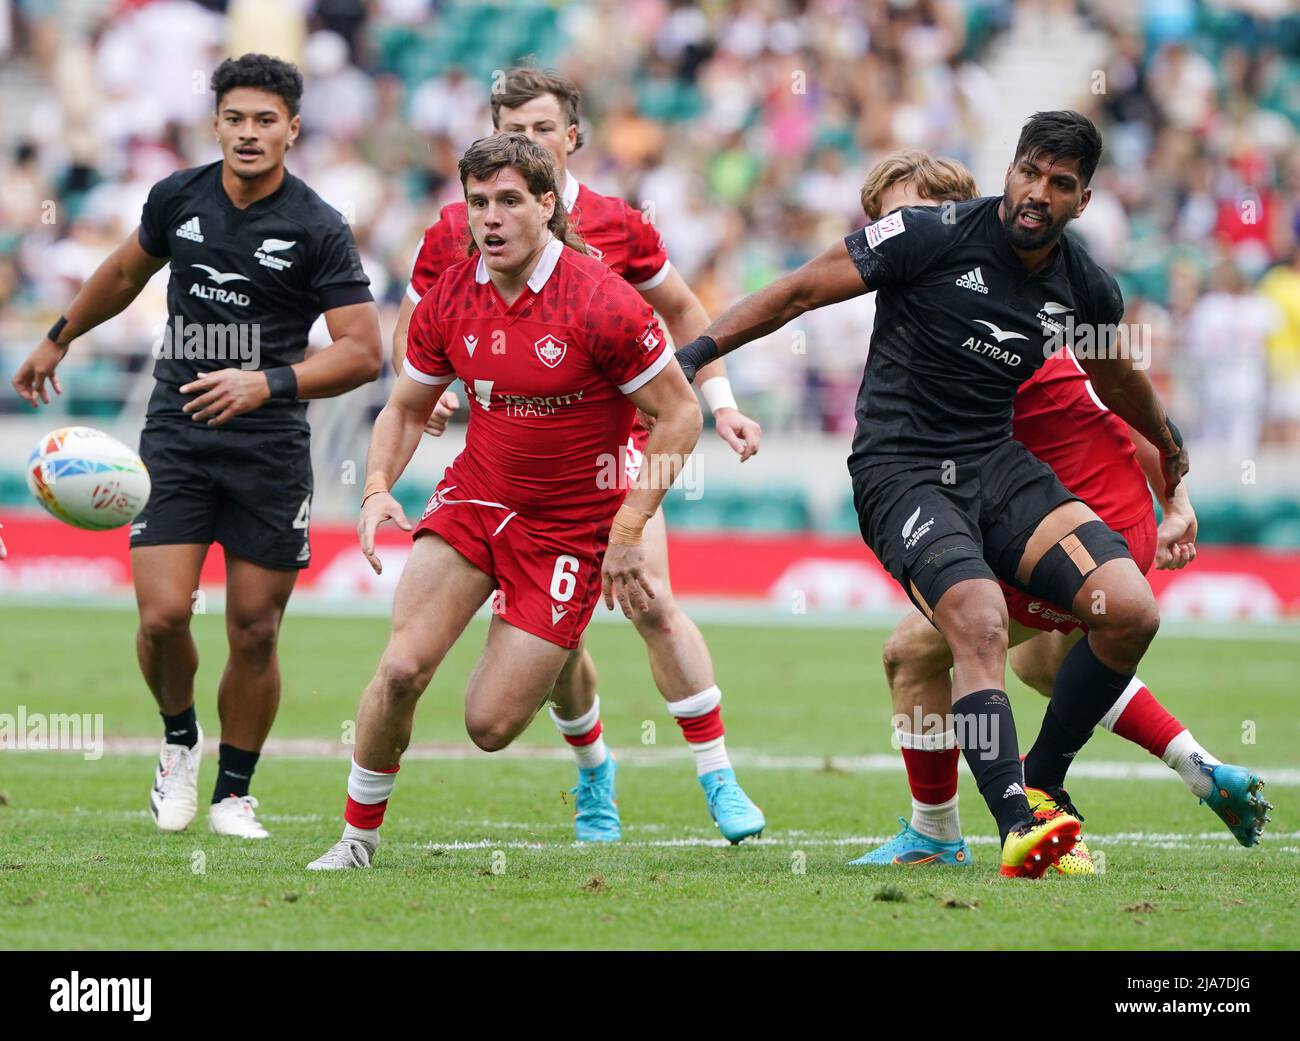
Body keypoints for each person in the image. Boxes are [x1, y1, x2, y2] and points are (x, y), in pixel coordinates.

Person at [675, 111, 1190, 878]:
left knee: (1130, 608)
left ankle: (1043, 776)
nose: (1038, 194)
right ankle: (1016, 821)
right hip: (901, 468)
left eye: (1061, 185)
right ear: (1008, 170)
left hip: (995, 463)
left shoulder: (1086, 286)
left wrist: (1173, 456)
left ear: (1082, 202)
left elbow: (1119, 381)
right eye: (1030, 173)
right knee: (977, 623)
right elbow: (795, 294)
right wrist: (690, 358)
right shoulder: (930, 233)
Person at [845, 151, 1270, 871]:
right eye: (879, 222)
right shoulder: (992, 290)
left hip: (1078, 519)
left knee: (920, 650)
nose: (888, 236)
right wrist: (1174, 497)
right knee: (1048, 664)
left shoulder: (977, 305)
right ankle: (1196, 766)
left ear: (950, 214)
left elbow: (1108, 403)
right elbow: (1104, 404)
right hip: (1104, 514)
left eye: (903, 216)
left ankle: (973, 823)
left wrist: (1177, 494)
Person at [11, 54, 383, 839]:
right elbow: (121, 271)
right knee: (162, 615)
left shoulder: (318, 227)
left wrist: (267, 383)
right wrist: (59, 336)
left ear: (293, 128)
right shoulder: (177, 195)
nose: (249, 133)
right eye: (236, 118)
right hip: (176, 434)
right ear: (215, 122)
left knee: (253, 627)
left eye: (265, 120)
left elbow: (360, 351)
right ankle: (179, 740)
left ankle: (233, 793)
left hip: (271, 446)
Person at [306, 134, 702, 871]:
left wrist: (627, 529)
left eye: (510, 200)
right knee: (400, 669)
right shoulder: (452, 294)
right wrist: (375, 489)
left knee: (488, 724)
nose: (491, 217)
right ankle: (355, 839)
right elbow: (402, 408)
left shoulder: (601, 300)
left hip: (569, 526)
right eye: (478, 202)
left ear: (547, 205)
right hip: (476, 500)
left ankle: (569, 688)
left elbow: (680, 416)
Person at [392, 67, 765, 844]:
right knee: (558, 643)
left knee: (651, 599)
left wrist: (720, 403)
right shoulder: (459, 228)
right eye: (509, 127)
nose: (523, 142)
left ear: (572, 136)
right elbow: (415, 323)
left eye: (538, 129)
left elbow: (688, 312)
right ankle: (595, 768)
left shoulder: (620, 225)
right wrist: (426, 393)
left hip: (622, 453)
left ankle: (718, 777)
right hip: (513, 469)